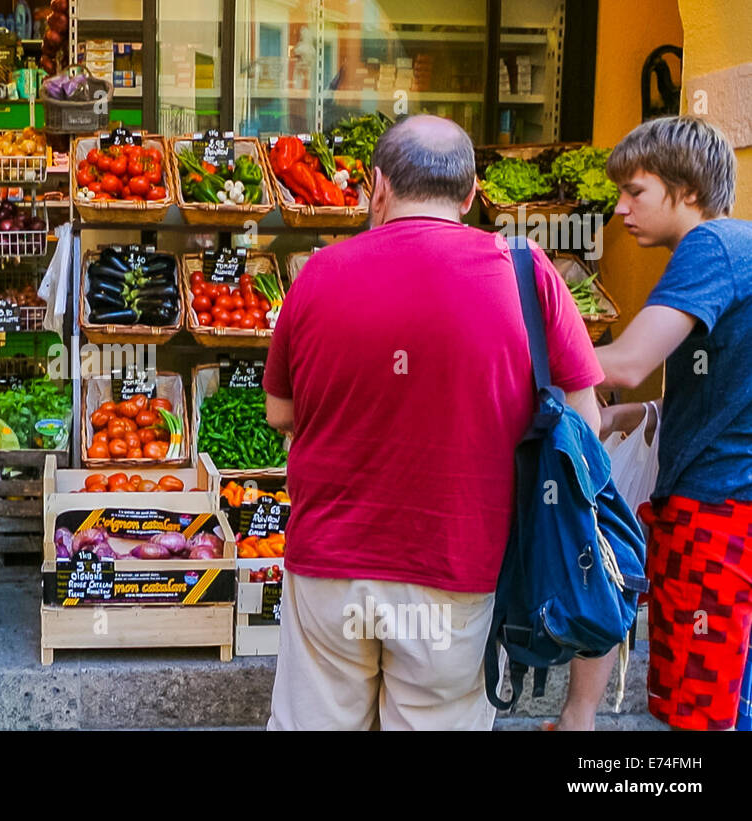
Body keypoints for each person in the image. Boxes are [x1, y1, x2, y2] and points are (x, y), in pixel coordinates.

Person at [262, 115, 603, 730]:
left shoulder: (318, 273)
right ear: (471, 194)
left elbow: (279, 412)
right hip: (460, 574)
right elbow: (585, 423)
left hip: (330, 568)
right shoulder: (529, 274)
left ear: (378, 185)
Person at [560, 116, 752, 731]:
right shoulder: (739, 247)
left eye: (634, 192)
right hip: (726, 502)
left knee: (696, 714)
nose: (619, 209)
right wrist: (637, 413)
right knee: (724, 700)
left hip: (715, 511)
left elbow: (628, 359)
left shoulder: (711, 246)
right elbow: (730, 391)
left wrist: (513, 356)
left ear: (687, 191)